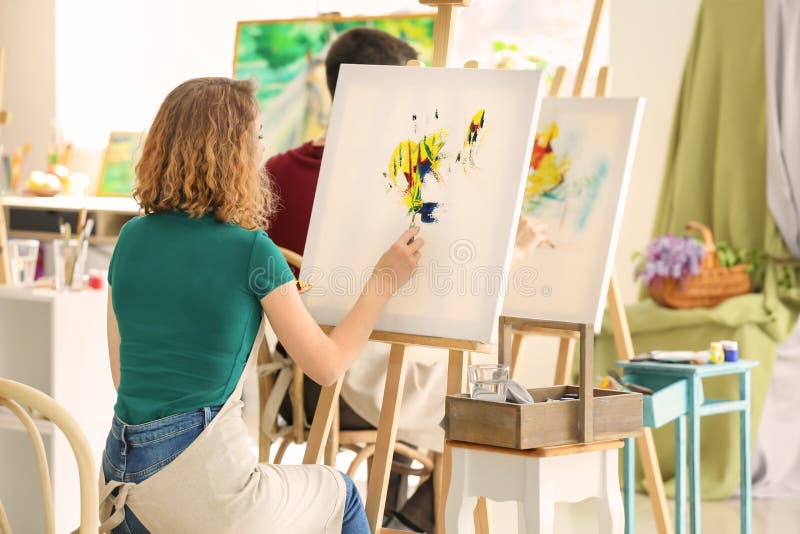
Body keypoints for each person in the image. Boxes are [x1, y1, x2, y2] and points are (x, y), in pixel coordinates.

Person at [99, 76, 424, 534]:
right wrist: (384, 280)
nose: (262, 149)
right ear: (232, 152)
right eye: (257, 136)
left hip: (120, 484)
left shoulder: (131, 238)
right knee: (343, 494)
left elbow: (122, 374)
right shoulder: (251, 250)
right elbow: (328, 368)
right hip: (199, 489)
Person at [266, 27, 549, 532]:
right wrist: (515, 252)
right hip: (351, 381)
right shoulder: (386, 179)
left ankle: (394, 517)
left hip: (290, 385)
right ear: (384, 90)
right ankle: (404, 526)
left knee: (440, 384)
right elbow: (443, 281)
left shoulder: (274, 171)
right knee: (490, 414)